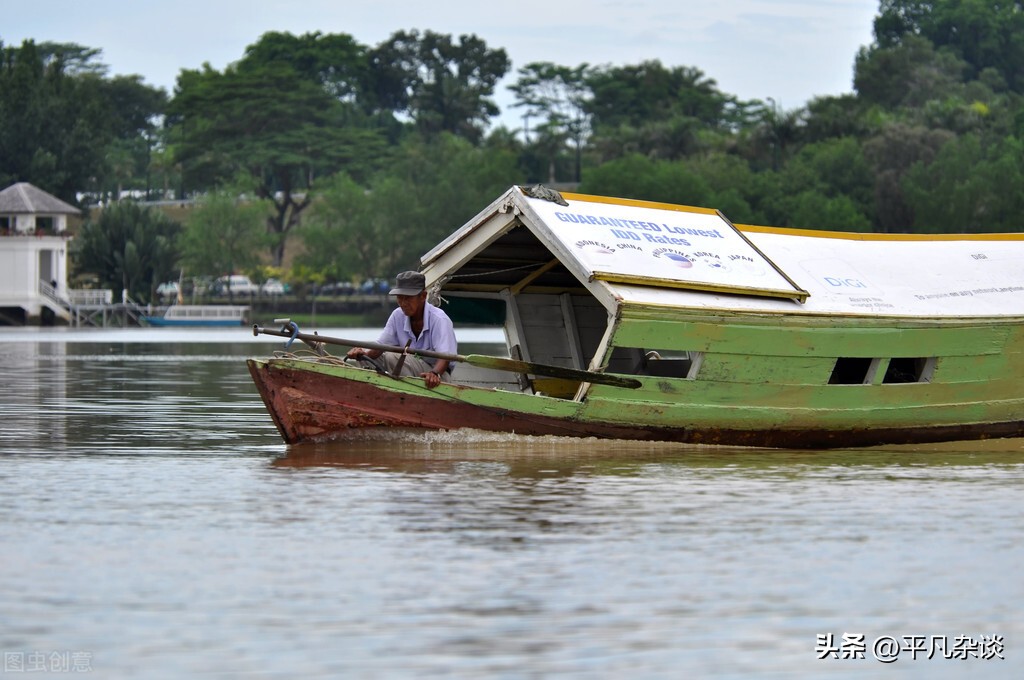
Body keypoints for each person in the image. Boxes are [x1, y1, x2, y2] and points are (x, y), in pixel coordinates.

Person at [346, 271, 457, 389]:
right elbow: (380, 346)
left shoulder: (439, 319)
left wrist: (434, 373)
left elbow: (445, 357)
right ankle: (371, 391)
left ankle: (406, 395)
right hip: (411, 371)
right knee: (365, 359)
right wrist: (363, 354)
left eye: (408, 298)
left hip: (437, 377)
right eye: (400, 298)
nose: (403, 303)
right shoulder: (397, 315)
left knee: (392, 357)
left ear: (423, 296)